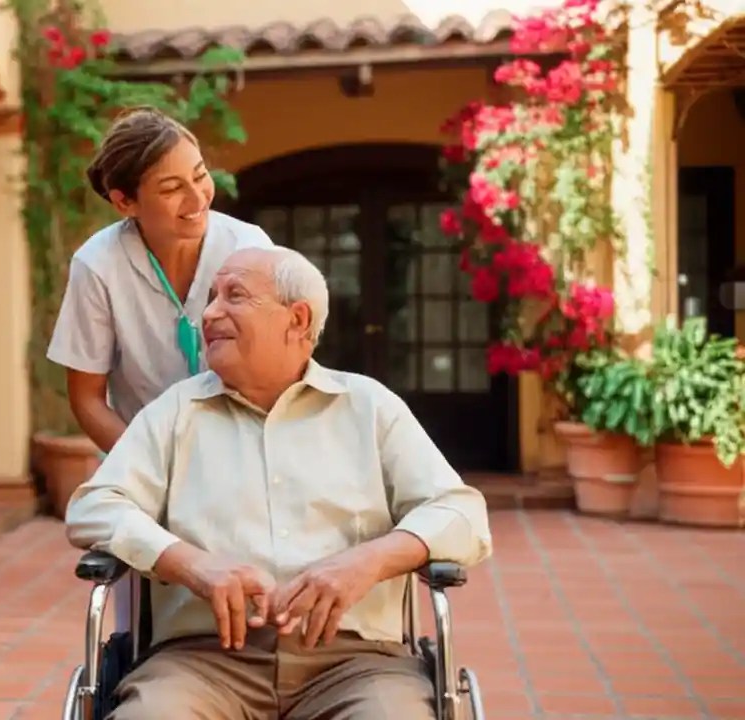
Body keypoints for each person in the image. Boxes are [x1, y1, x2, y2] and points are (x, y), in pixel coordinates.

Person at [64, 247, 493, 720]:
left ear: (297, 318)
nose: (209, 313)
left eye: (235, 296)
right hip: (200, 664)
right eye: (210, 298)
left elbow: (462, 513)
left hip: (358, 666)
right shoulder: (175, 412)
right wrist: (190, 565)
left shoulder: (369, 407)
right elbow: (95, 506)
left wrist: (369, 561)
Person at [46, 107, 273, 628]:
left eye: (199, 176)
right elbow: (86, 397)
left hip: (246, 453)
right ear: (125, 201)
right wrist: (151, 464)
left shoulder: (250, 248)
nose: (197, 200)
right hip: (147, 460)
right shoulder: (98, 265)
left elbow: (281, 369)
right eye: (172, 188)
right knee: (151, 629)